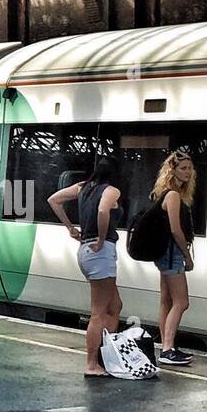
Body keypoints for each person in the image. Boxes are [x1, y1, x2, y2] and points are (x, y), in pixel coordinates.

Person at [49, 156, 123, 377]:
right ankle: (92, 363)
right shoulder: (111, 191)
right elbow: (103, 211)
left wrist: (70, 228)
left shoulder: (82, 188)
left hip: (85, 252)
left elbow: (53, 200)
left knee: (115, 306)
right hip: (101, 253)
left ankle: (104, 355)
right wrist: (101, 238)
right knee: (98, 313)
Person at [153, 150, 196, 366]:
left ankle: (166, 345)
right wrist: (187, 257)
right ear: (173, 170)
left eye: (189, 168)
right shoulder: (173, 195)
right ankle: (168, 348)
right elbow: (176, 230)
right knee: (182, 302)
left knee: (166, 301)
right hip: (172, 254)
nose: (188, 172)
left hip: (164, 254)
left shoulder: (163, 193)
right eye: (183, 168)